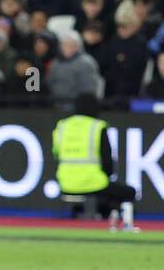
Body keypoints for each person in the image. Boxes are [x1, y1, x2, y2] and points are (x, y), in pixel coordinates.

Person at [52, 92, 139, 231]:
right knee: (129, 192)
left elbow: (56, 154)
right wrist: (105, 176)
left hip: (65, 183)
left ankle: (88, 217)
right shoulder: (97, 127)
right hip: (93, 183)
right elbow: (108, 163)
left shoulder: (62, 126)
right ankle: (122, 225)